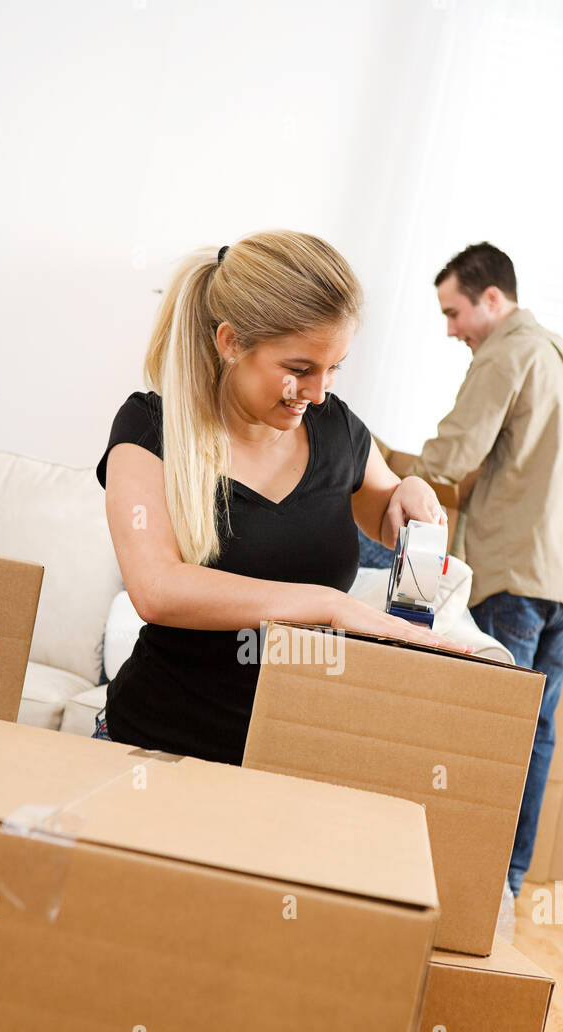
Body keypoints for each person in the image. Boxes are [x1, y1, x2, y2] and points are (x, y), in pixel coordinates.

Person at [92, 230, 468, 764]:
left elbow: (388, 513)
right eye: (299, 370)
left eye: (334, 367)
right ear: (230, 342)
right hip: (155, 747)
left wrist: (410, 490)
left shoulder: (335, 430)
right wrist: (327, 605)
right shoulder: (151, 429)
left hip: (290, 758)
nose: (318, 393)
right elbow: (157, 588)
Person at [382, 242, 563, 898]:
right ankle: (506, 879)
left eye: (454, 312)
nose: (451, 329)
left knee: (488, 725)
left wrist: (381, 477)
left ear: (493, 300)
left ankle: (472, 877)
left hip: (518, 573)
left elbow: (455, 451)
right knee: (534, 729)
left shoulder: (507, 349)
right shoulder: (561, 351)